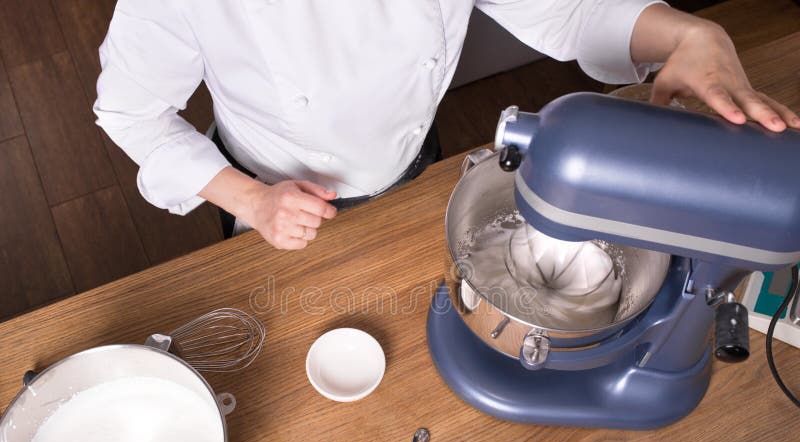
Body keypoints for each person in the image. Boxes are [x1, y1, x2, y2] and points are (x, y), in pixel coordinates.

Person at [94, 1, 799, 250]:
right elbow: (130, 111)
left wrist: (688, 34)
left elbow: (571, 11)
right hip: (274, 196)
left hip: (409, 153)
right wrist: (250, 200)